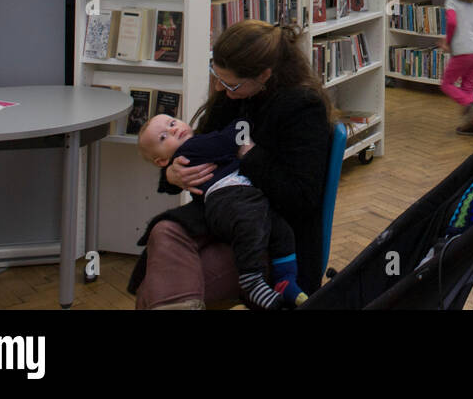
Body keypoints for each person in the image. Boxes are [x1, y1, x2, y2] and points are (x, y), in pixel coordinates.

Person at [129, 21, 335, 309]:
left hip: (269, 234)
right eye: (216, 76)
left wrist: (247, 155)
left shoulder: (302, 108)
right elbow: (197, 147)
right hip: (224, 215)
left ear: (264, 75)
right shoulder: (233, 97)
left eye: (229, 83)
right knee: (163, 231)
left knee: (155, 292)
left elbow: (300, 198)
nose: (218, 87)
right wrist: (173, 174)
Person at [137, 114, 307, 309]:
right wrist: (242, 124)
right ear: (161, 161)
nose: (173, 129)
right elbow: (225, 141)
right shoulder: (191, 148)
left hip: (246, 197)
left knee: (280, 230)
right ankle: (251, 279)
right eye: (163, 137)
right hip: (229, 199)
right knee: (250, 225)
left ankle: (285, 279)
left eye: (172, 123)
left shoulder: (194, 145)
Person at [437, 0, 473, 135]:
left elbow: (451, 23)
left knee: (446, 84)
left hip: (463, 51)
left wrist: (447, 42)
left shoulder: (451, 2)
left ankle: (468, 105)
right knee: (467, 88)